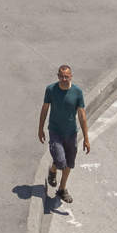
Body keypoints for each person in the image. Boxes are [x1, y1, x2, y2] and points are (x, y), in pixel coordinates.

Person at [37, 64, 89, 206]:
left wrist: (86, 138)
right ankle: (53, 170)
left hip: (71, 133)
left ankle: (62, 189)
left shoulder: (77, 92)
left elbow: (82, 115)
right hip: (55, 132)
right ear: (58, 76)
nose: (64, 79)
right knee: (61, 161)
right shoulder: (51, 90)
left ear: (71, 76)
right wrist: (40, 128)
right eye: (61, 76)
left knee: (69, 163)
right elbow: (45, 109)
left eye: (66, 76)